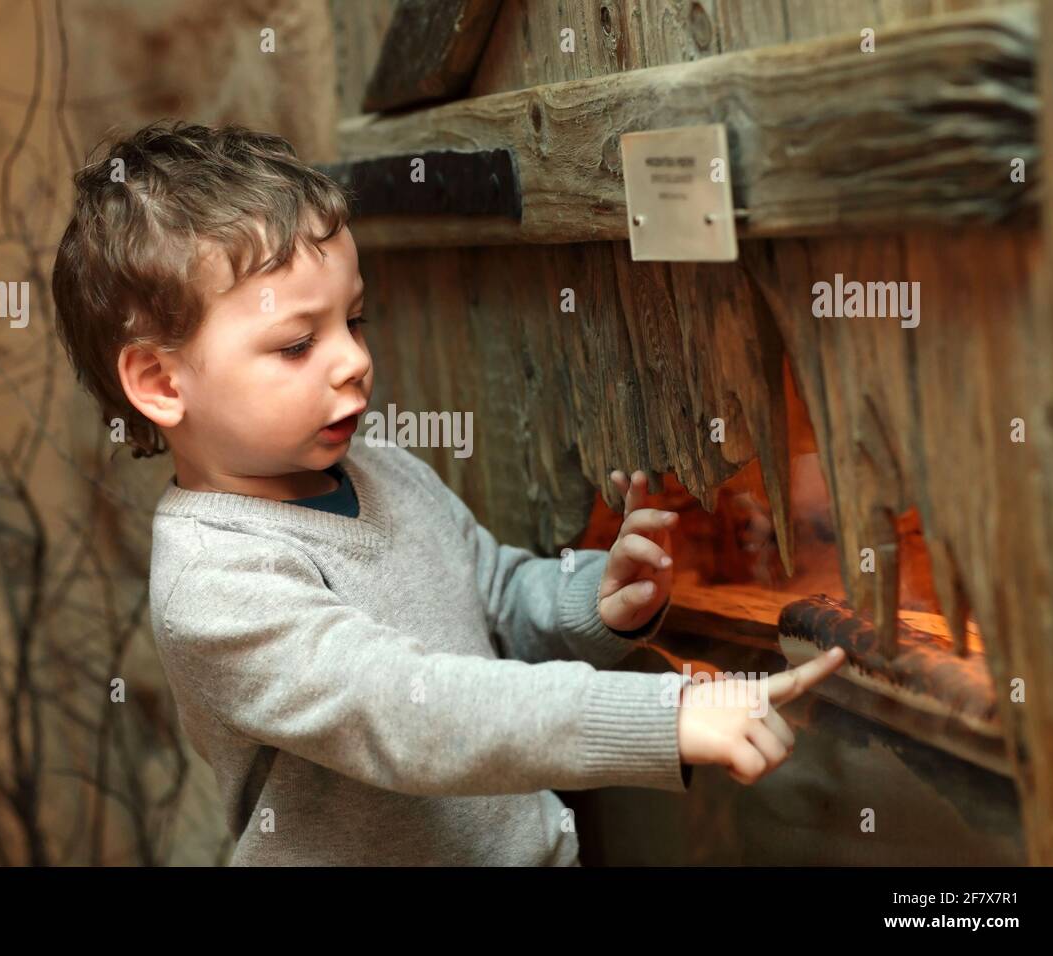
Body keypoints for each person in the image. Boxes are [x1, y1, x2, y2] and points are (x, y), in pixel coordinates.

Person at [50, 120, 847, 866]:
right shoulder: (213, 586)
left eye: (353, 321)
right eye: (297, 343)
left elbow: (492, 593)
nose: (352, 360)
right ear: (159, 381)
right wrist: (661, 716)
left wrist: (589, 605)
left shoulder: (382, 467)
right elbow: (410, 711)